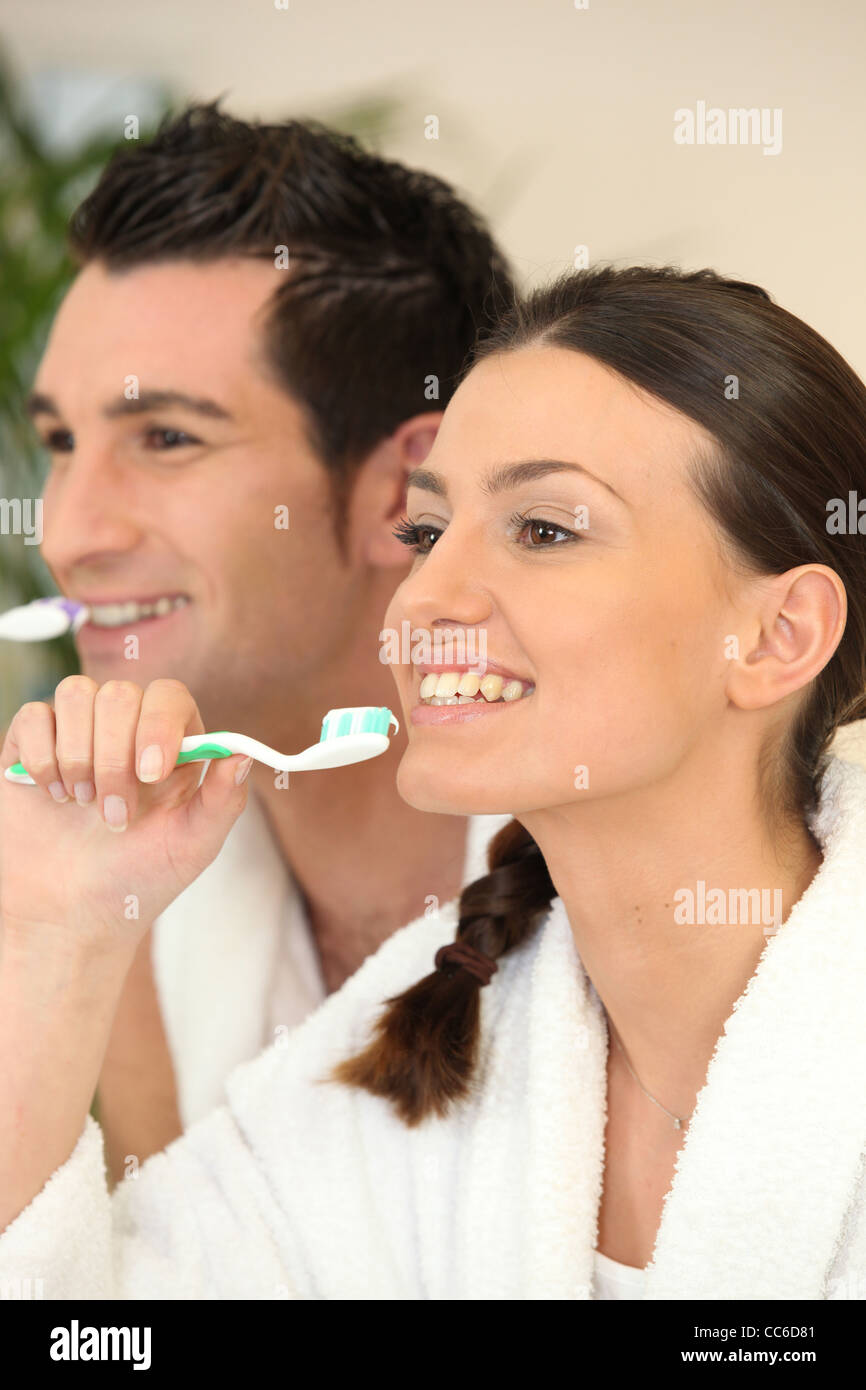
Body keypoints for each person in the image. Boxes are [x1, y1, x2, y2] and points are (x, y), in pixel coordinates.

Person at [3, 264, 866, 1300]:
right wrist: (55, 935)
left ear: (777, 635)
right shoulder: (405, 1063)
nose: (422, 598)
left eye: (544, 529)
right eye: (425, 532)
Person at [13, 101, 515, 1177]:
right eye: (60, 438)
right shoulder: (139, 909)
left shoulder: (638, 872)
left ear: (405, 492)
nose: (67, 532)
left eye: (165, 436)